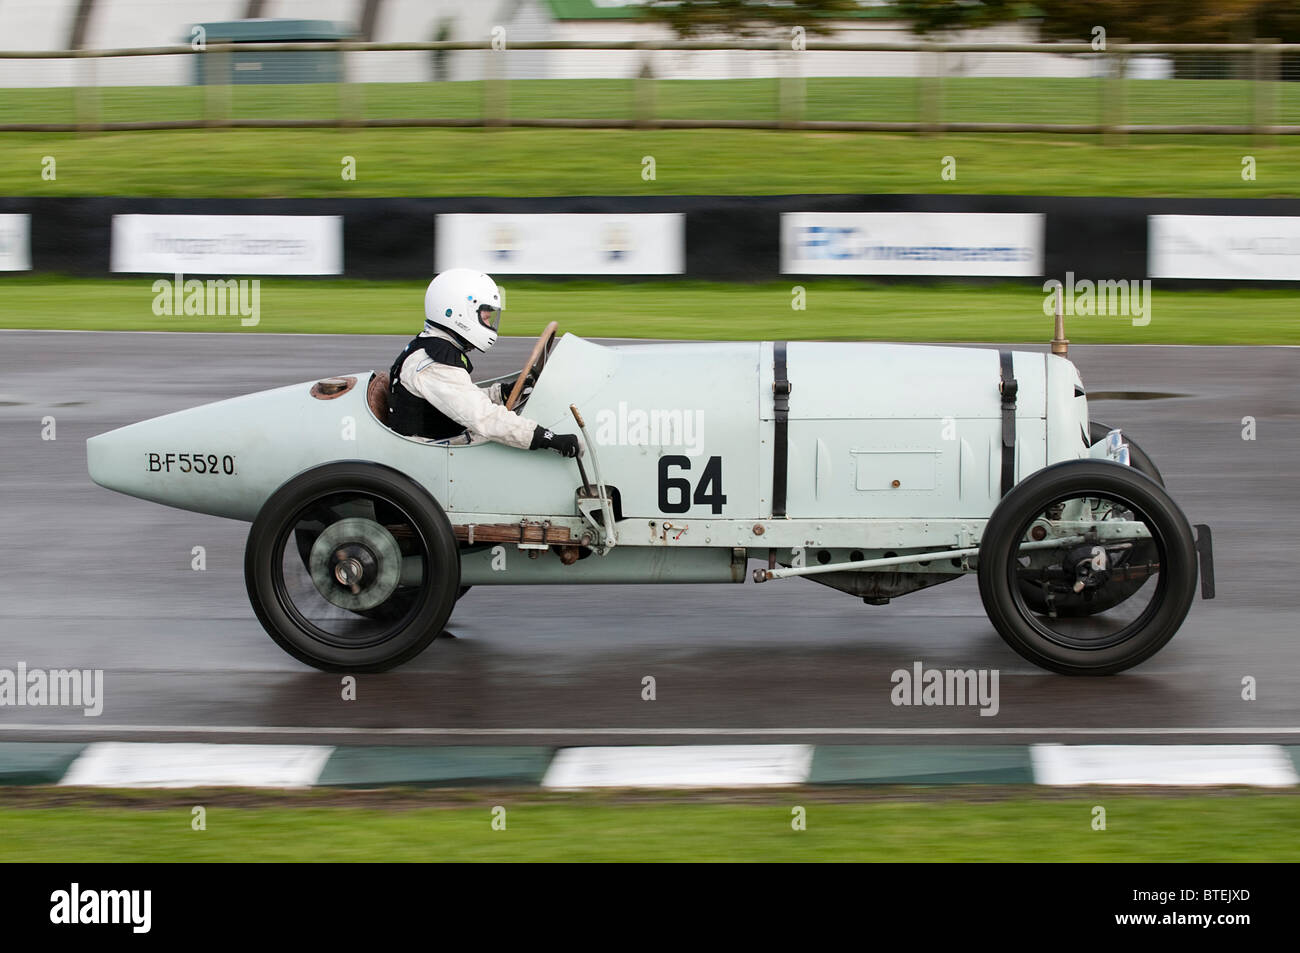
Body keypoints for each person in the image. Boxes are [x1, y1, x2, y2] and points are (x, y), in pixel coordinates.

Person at [387, 268, 581, 457]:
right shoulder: (434, 363)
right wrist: (547, 437)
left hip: (442, 442)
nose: (489, 325)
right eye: (486, 318)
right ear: (456, 313)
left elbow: (463, 398)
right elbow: (483, 418)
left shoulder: (434, 348)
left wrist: (502, 394)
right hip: (433, 456)